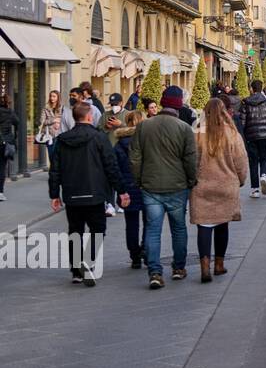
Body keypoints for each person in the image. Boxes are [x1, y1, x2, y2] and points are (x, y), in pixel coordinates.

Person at [48, 102, 129, 287]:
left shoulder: (62, 140)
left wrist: (54, 194)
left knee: (75, 231)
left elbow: (55, 170)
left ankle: (76, 270)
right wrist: (121, 191)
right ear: (89, 117)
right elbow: (111, 165)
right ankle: (89, 260)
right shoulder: (99, 138)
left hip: (71, 193)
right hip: (95, 193)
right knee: (97, 229)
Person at [130, 85, 199, 289]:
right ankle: (178, 268)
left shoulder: (144, 126)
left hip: (150, 186)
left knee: (152, 230)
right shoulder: (184, 128)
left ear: (162, 103)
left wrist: (139, 180)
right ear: (178, 106)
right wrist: (191, 180)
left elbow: (134, 158)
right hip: (178, 186)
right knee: (178, 228)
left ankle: (155, 272)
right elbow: (190, 160)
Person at [191, 99, 248, 284]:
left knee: (204, 226)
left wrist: (192, 179)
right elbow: (241, 160)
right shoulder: (231, 133)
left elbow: (191, 159)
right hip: (226, 185)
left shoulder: (198, 132)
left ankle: (205, 266)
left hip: (203, 186)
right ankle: (219, 264)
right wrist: (241, 179)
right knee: (223, 224)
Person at [113, 110, 146, 269]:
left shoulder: (119, 144)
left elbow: (115, 168)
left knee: (131, 223)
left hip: (127, 187)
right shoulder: (146, 141)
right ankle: (145, 248)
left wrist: (119, 188)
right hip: (146, 186)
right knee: (150, 221)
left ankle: (134, 256)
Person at [0, 94, 17, 202]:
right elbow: (18, 122)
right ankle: (0, 192)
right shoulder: (10, 112)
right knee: (2, 167)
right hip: (5, 143)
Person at [38, 91, 62, 165]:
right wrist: (53, 120)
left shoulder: (62, 108)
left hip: (60, 135)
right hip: (49, 136)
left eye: (54, 96)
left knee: (60, 156)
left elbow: (65, 120)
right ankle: (53, 173)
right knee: (51, 155)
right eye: (51, 96)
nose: (52, 98)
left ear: (58, 97)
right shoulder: (46, 108)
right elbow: (42, 121)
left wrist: (59, 123)